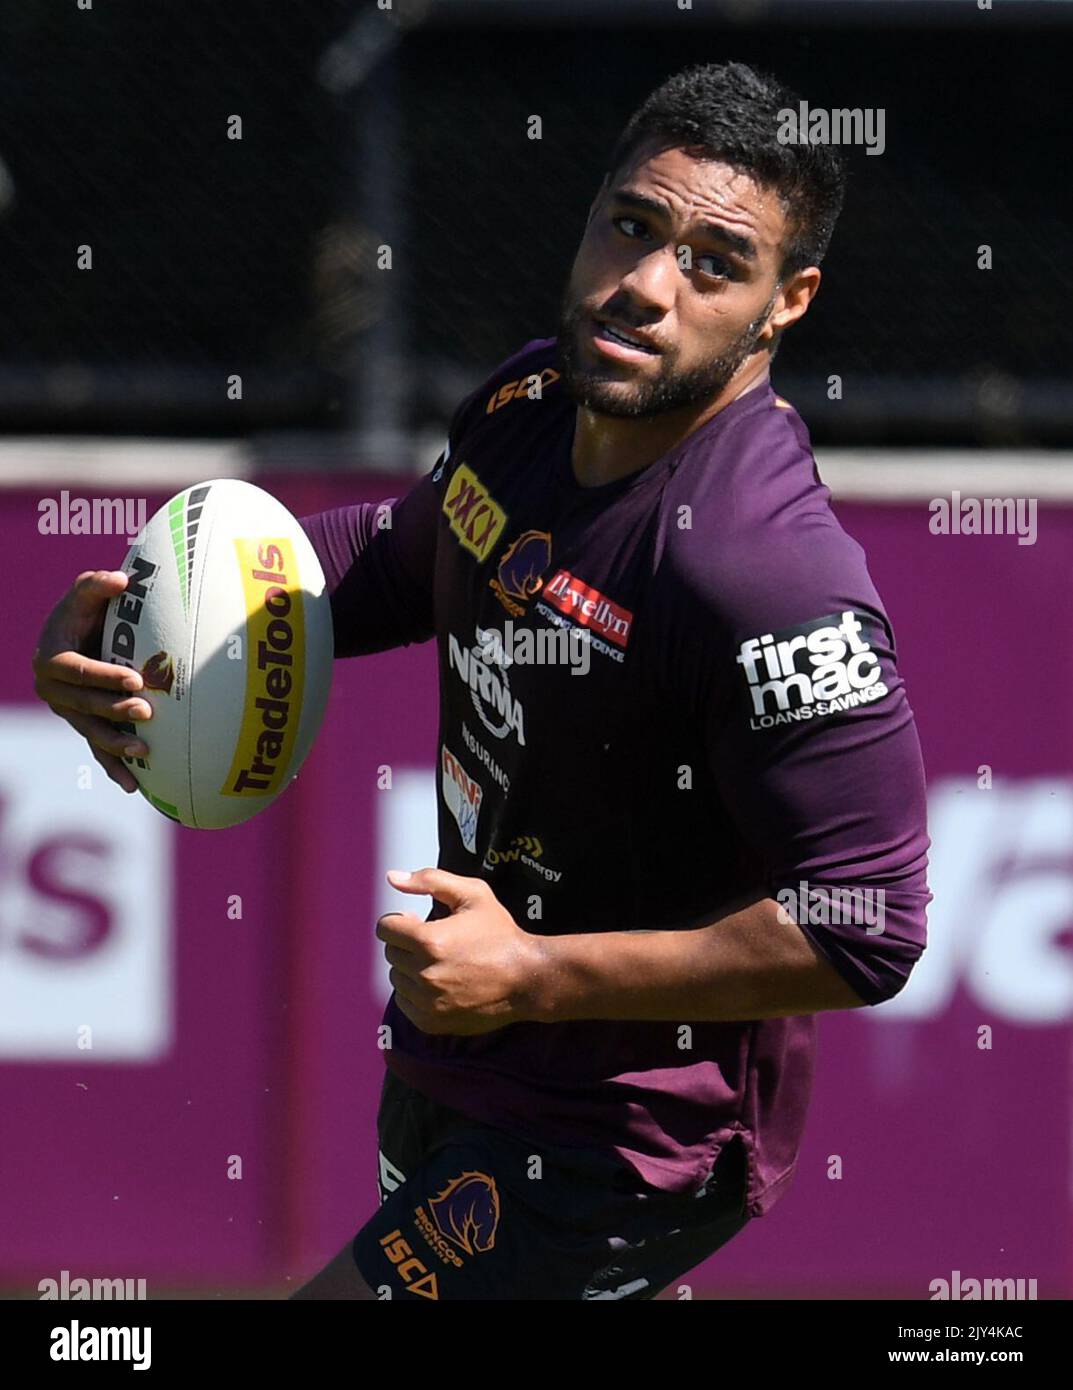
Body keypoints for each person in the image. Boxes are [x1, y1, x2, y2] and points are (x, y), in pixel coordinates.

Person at [32, 62, 930, 1301]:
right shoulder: (523, 404)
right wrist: (143, 645)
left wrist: (537, 975)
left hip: (616, 1138)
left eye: (714, 263)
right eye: (631, 225)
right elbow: (401, 562)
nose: (648, 289)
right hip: (469, 1055)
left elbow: (864, 926)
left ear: (786, 302)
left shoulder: (766, 576)